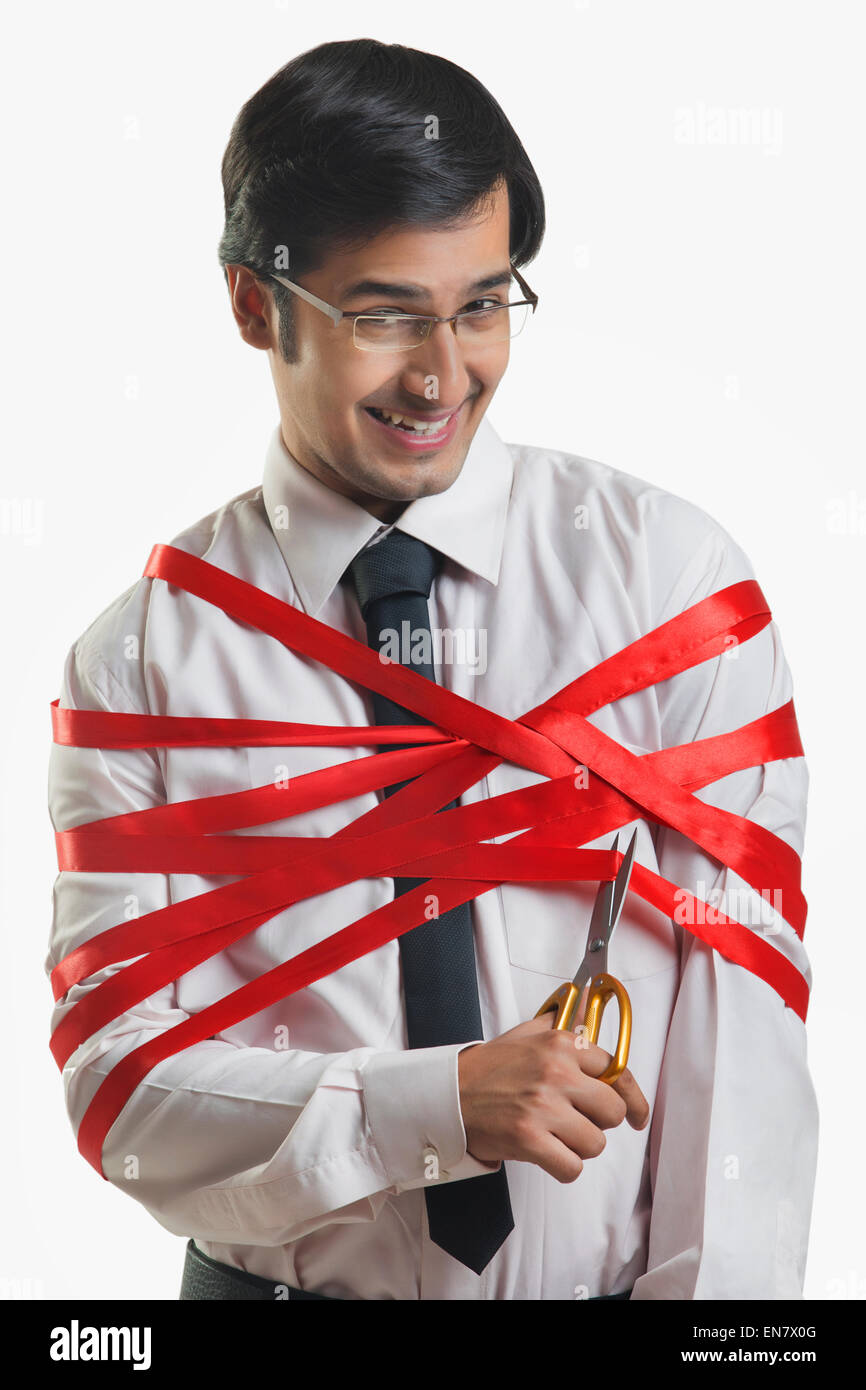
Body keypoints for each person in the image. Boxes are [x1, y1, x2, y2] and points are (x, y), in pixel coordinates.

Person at [46, 38, 818, 1301]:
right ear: (254, 305)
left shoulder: (674, 592)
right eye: (384, 313)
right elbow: (119, 1086)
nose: (440, 373)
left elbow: (741, 1066)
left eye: (480, 304)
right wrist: (432, 1104)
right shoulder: (140, 659)